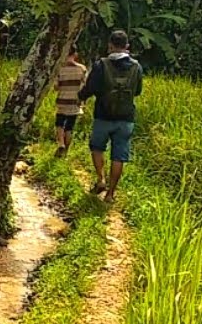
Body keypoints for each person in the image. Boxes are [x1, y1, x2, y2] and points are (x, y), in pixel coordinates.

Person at [79, 30, 143, 203]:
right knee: (119, 156)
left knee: (97, 147)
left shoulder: (101, 65)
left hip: (103, 116)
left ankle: (101, 179)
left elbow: (90, 88)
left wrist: (80, 97)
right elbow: (137, 91)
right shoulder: (136, 66)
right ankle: (111, 194)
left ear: (110, 46)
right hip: (126, 118)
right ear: (127, 46)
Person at [54, 48, 88, 156]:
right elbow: (85, 85)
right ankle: (66, 151)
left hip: (62, 101)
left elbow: (56, 86)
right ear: (75, 54)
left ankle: (61, 144)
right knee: (69, 126)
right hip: (75, 101)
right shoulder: (82, 68)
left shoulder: (59, 68)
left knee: (59, 124)